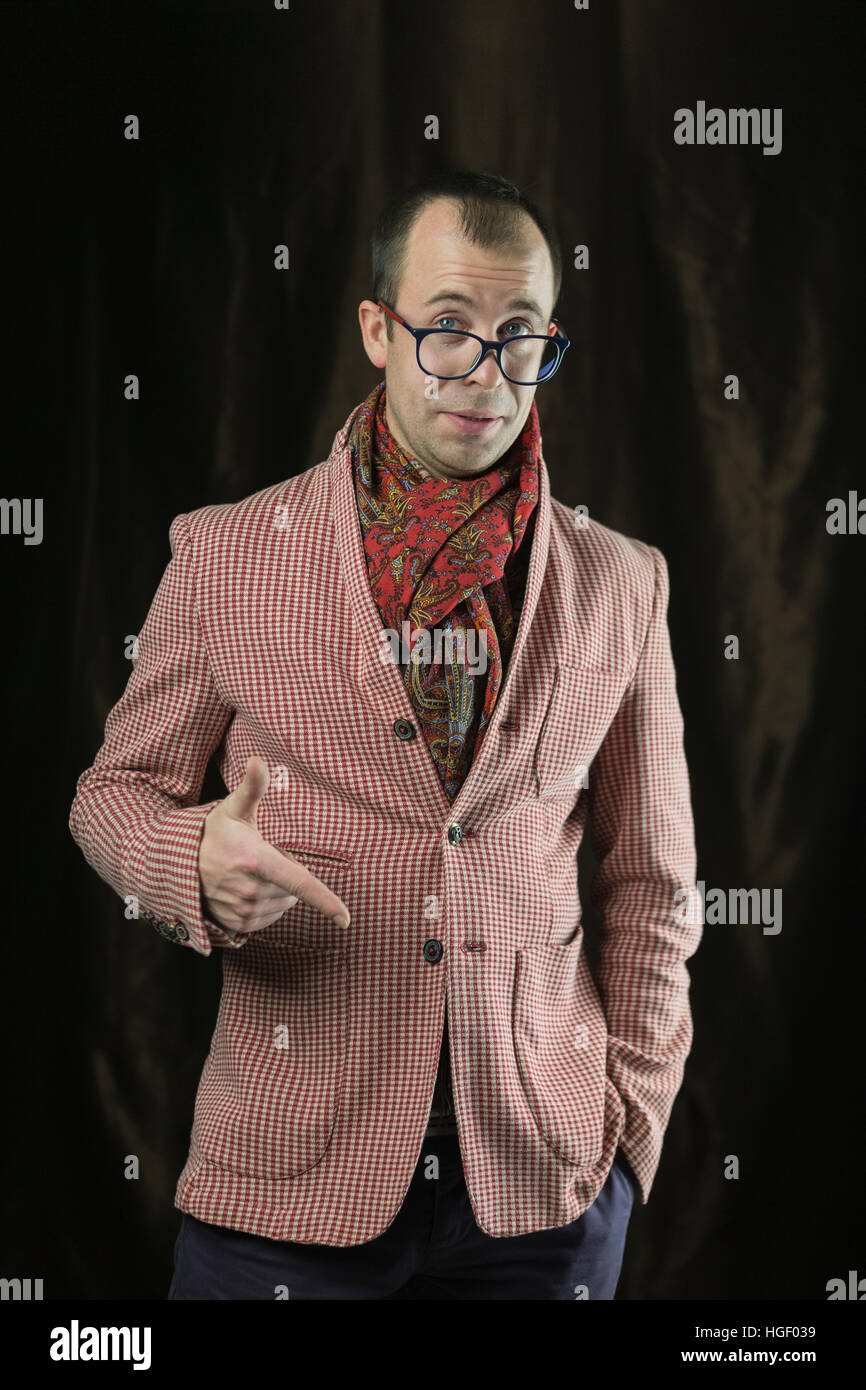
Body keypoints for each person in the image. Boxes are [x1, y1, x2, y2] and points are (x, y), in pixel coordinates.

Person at [69, 169, 701, 1300]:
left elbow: (653, 883)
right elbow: (111, 792)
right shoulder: (225, 555)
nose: (486, 374)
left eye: (520, 337)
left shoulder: (621, 582)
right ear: (376, 326)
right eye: (446, 330)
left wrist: (628, 1136)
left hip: (543, 1193)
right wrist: (185, 862)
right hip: (285, 1180)